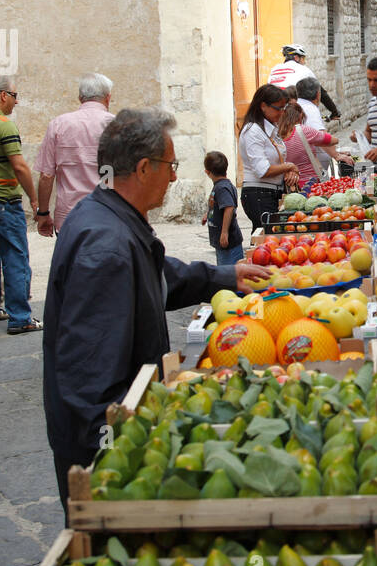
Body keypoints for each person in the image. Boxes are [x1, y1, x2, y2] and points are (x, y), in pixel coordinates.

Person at [43, 109, 270, 510]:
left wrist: (223, 276)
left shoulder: (110, 216)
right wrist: (116, 454)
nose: (175, 177)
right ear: (145, 167)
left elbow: (157, 275)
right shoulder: (105, 245)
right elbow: (90, 377)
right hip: (108, 456)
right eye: (171, 166)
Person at [0, 75, 41, 334]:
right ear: (3, 96)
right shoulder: (3, 126)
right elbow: (19, 166)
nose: (16, 101)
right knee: (15, 256)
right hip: (2, 199)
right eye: (15, 96)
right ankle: (21, 317)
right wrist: (34, 199)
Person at [33, 72, 114, 237]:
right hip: (108, 214)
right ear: (108, 98)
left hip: (69, 217)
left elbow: (46, 176)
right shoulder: (117, 125)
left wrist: (43, 214)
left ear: (80, 98)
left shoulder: (58, 125)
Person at [237, 84, 300, 227]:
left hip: (271, 192)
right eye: (278, 108)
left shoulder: (271, 129)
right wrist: (288, 166)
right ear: (263, 106)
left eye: (284, 108)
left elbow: (278, 160)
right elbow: (262, 170)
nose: (282, 113)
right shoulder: (253, 131)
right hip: (259, 194)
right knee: (265, 235)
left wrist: (287, 170)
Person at [278, 102, 351, 189]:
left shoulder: (277, 135)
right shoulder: (304, 130)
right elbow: (331, 140)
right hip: (311, 184)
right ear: (300, 115)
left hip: (291, 186)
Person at [268, 45, 340, 120]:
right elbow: (321, 93)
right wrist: (334, 112)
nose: (304, 62)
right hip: (292, 110)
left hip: (273, 108)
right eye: (303, 58)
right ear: (296, 58)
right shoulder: (304, 69)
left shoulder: (274, 69)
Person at [202, 150, 243, 265]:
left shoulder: (222, 188)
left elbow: (229, 207)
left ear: (207, 172)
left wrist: (224, 233)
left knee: (230, 273)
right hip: (222, 243)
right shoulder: (221, 186)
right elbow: (218, 206)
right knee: (224, 270)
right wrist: (208, 214)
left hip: (228, 242)